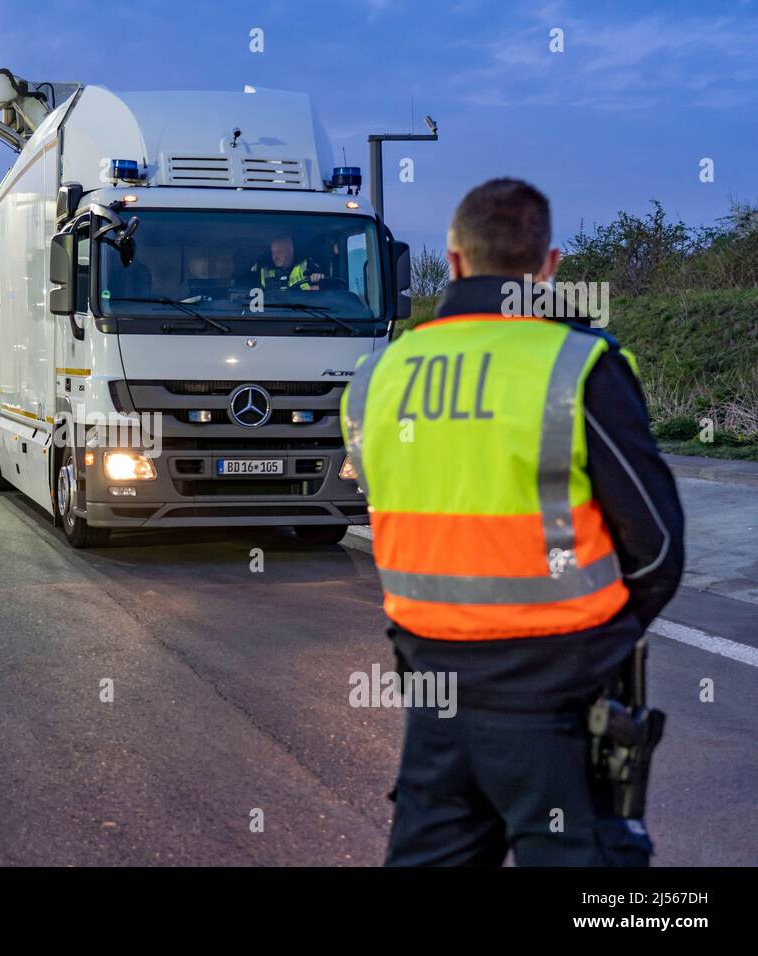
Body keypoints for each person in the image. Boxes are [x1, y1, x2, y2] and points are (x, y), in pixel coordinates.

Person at [341, 178, 684, 866]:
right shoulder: (576, 364)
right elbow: (657, 548)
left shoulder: (381, 376)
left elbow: (388, 499)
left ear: (455, 260)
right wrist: (602, 640)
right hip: (553, 694)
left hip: (432, 687)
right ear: (547, 265)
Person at [255, 235, 325, 292]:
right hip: (272, 308)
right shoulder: (265, 272)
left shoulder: (308, 266)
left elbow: (322, 285)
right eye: (273, 253)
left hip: (302, 308)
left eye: (279, 252)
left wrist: (315, 285)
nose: (275, 257)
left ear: (290, 251)